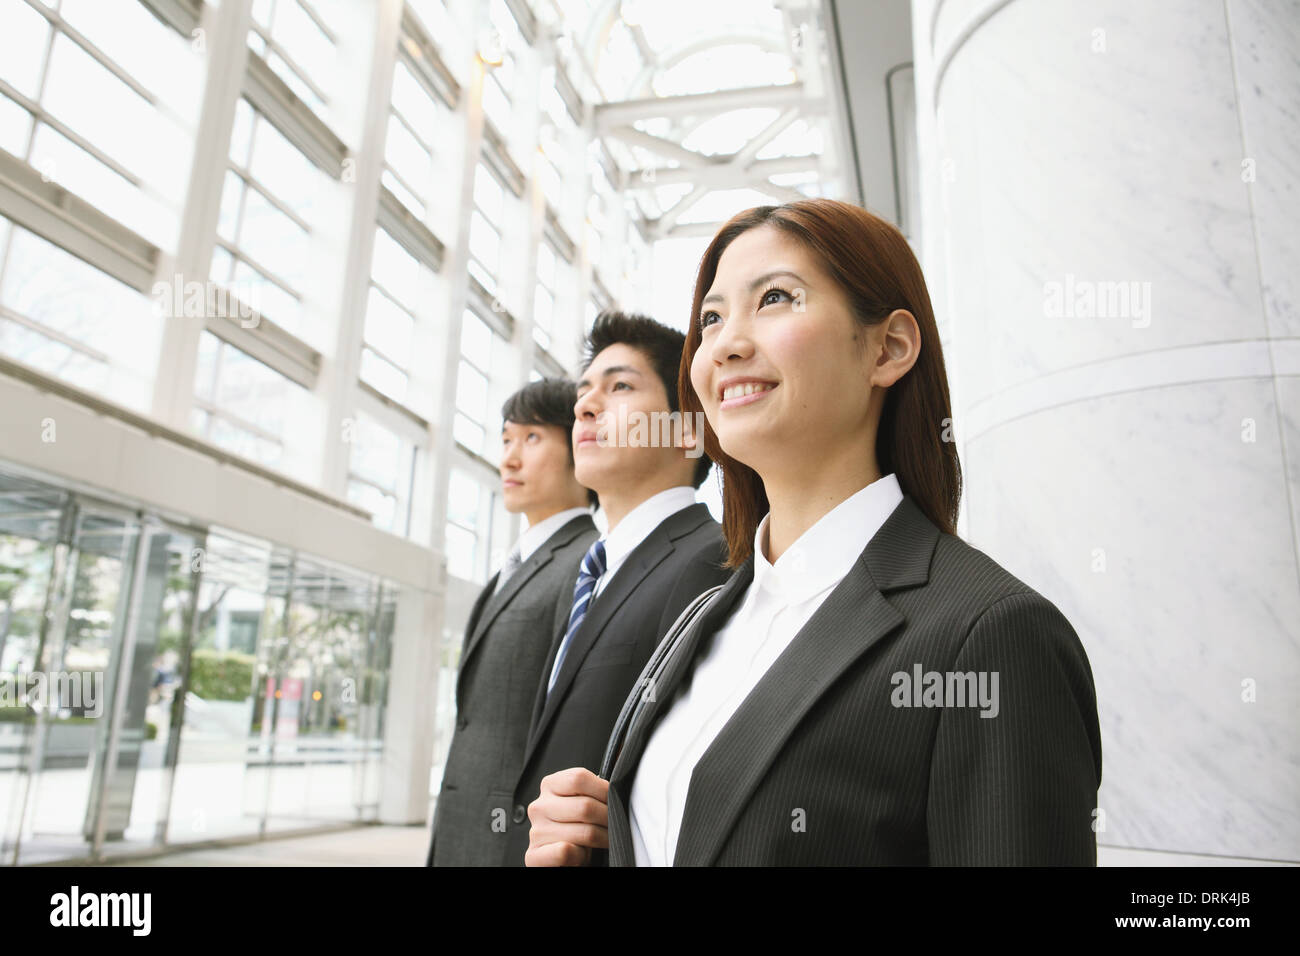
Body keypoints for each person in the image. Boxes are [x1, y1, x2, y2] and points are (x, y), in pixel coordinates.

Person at [525, 199, 1103, 866]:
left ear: (887, 348)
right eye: (711, 318)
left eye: (775, 298)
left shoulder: (990, 634)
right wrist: (598, 839)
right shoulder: (704, 619)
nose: (726, 344)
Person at [501, 310, 732, 866]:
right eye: (585, 392)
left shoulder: (712, 562)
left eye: (620, 386)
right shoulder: (595, 572)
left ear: (686, 430)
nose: (585, 406)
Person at [426, 379, 597, 866]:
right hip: (461, 835)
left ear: (579, 447)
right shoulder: (512, 568)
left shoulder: (587, 565)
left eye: (532, 438)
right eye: (505, 440)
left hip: (510, 845)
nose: (509, 459)